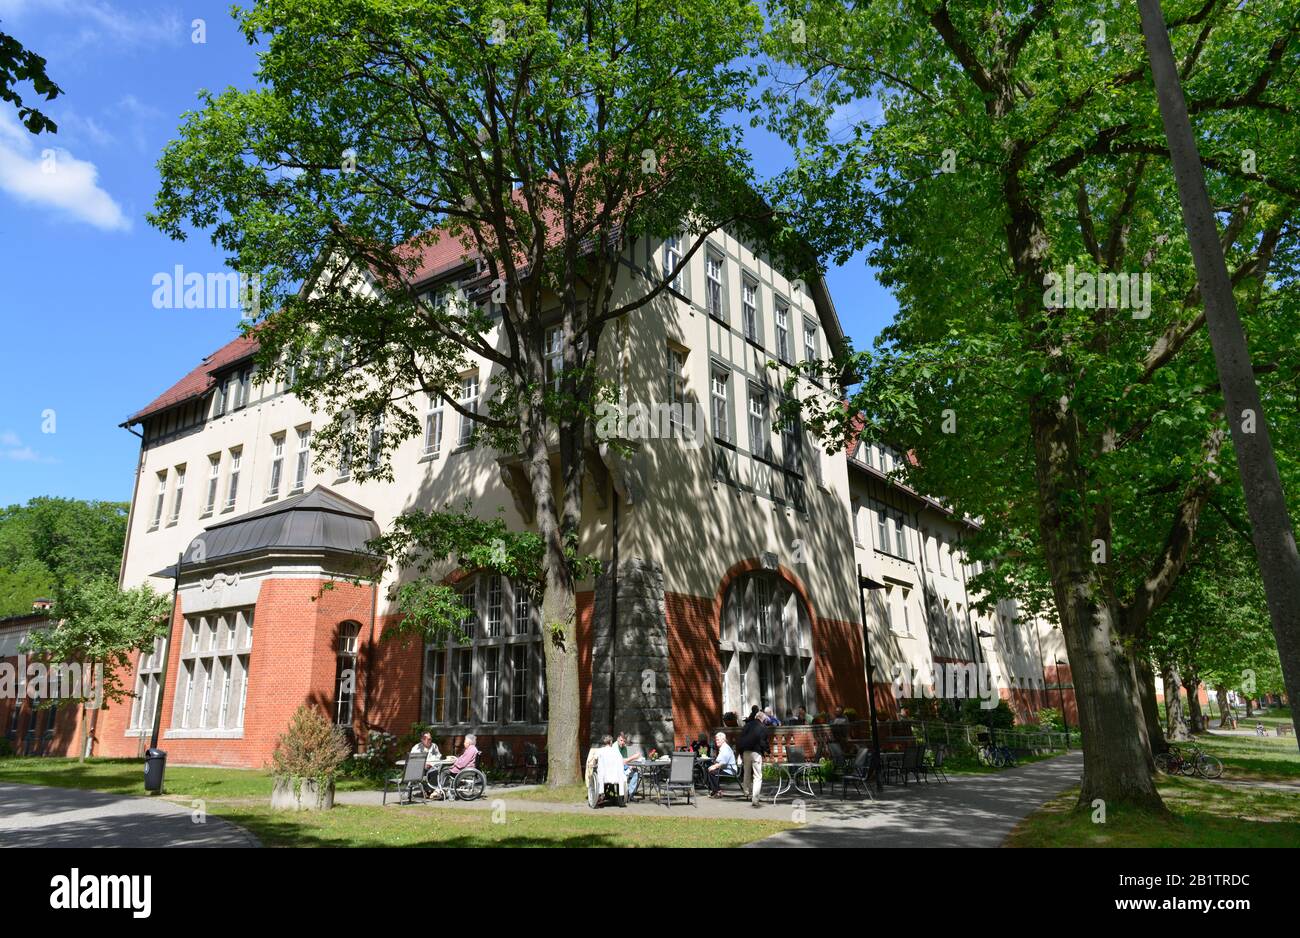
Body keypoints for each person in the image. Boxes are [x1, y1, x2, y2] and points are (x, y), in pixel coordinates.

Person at [737, 710, 770, 807]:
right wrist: (768, 751)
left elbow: (741, 739)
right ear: (762, 719)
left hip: (746, 752)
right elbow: (763, 742)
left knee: (746, 773)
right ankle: (755, 798)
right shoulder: (763, 727)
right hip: (756, 752)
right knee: (757, 776)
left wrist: (740, 752)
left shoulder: (747, 725)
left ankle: (746, 793)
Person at [706, 732, 737, 796]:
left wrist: (714, 766)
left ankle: (717, 791)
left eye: (718, 740)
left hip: (730, 770)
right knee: (710, 770)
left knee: (712, 772)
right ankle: (715, 790)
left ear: (723, 740)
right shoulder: (723, 748)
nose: (716, 741)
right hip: (725, 768)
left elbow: (723, 762)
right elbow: (719, 761)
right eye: (716, 740)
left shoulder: (725, 748)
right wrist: (714, 765)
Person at [617, 732, 641, 798]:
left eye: (624, 741)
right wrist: (634, 757)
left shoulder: (624, 748)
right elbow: (622, 761)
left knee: (635, 771)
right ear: (618, 740)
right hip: (617, 770)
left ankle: (630, 793)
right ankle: (628, 793)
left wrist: (629, 765)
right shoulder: (616, 748)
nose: (623, 742)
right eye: (621, 740)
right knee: (634, 772)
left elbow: (625, 760)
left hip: (623, 768)